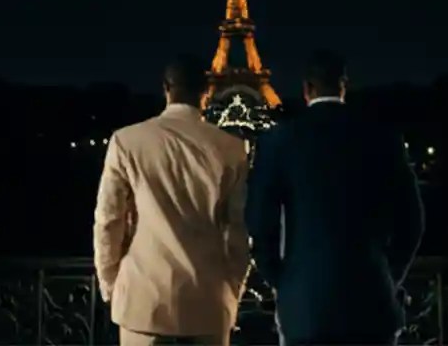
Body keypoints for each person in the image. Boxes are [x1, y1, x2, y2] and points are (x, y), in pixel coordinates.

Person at [246, 49, 424, 345]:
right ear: (343, 85)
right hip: (371, 302)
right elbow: (412, 220)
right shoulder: (383, 138)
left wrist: (283, 281)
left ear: (307, 89)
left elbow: (259, 222)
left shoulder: (279, 141)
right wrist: (387, 274)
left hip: (305, 307)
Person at [93, 55, 251, 346]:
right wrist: (232, 289)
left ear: (166, 88)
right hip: (208, 300)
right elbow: (237, 230)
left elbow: (108, 221)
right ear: (206, 92)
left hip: (143, 300)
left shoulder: (127, 141)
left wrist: (111, 285)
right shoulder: (233, 148)